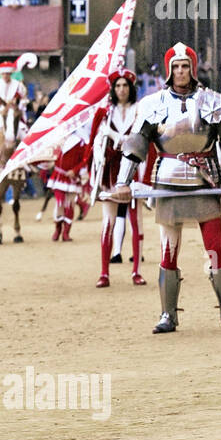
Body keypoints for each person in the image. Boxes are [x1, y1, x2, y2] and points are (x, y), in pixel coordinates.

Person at [109, 43, 221, 333]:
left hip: (205, 180)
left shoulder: (215, 101)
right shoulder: (152, 104)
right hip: (167, 180)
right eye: (175, 67)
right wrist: (122, 183)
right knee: (168, 251)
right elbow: (136, 143)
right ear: (169, 70)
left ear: (193, 68)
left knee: (215, 249)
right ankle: (168, 314)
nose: (180, 72)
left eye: (185, 66)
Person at [88, 70, 145, 287]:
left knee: (135, 222)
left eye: (125, 85)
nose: (122, 89)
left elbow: (141, 139)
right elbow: (96, 142)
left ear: (131, 88)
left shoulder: (139, 112)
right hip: (110, 172)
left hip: (133, 171)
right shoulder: (105, 113)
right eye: (118, 85)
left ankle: (136, 271)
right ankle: (104, 272)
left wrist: (115, 137)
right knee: (108, 222)